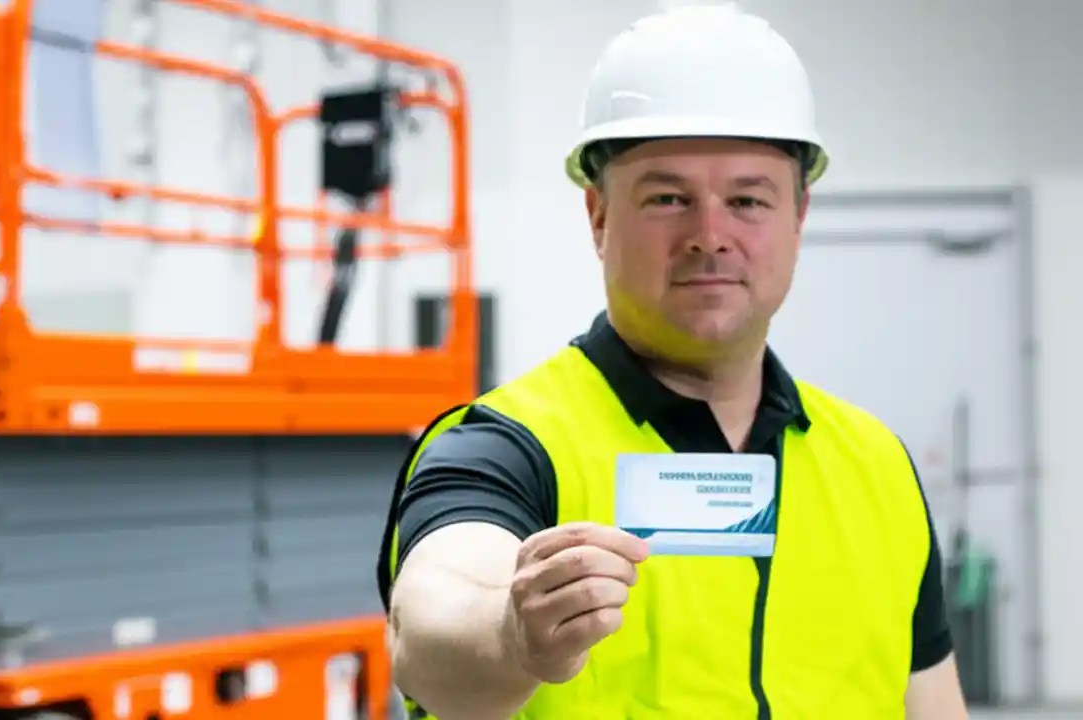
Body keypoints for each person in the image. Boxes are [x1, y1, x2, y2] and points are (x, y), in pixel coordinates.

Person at [375, 3, 969, 720]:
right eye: (667, 198)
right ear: (598, 216)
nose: (709, 235)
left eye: (748, 199)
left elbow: (932, 701)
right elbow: (432, 631)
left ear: (799, 216)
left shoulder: (878, 467)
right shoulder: (503, 447)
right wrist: (513, 633)